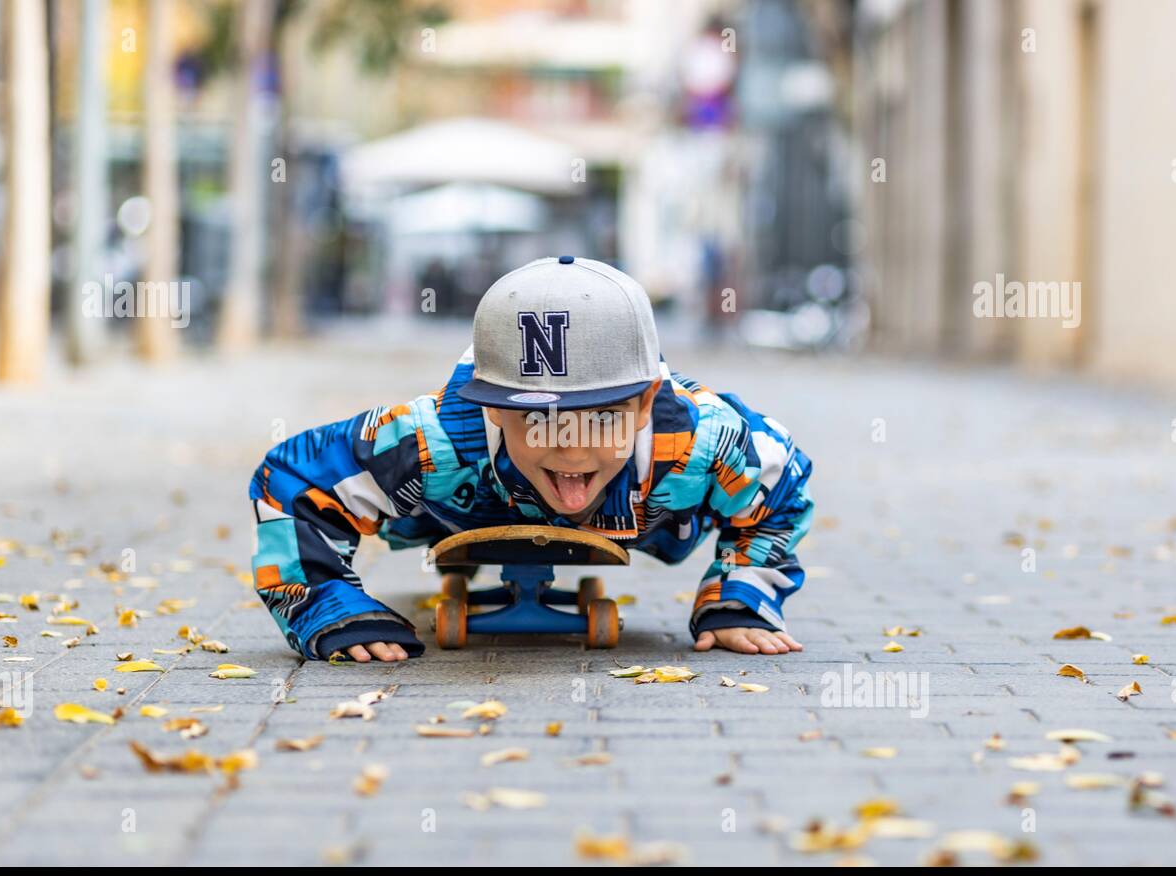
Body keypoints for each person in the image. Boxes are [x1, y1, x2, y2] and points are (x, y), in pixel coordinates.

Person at [248, 256, 813, 662]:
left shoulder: (704, 441)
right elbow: (293, 480)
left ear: (643, 404)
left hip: (648, 511)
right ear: (494, 410)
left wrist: (740, 595)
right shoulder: (434, 438)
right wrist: (326, 604)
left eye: (600, 417)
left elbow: (782, 484)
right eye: (539, 420)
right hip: (459, 505)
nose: (570, 447)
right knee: (419, 480)